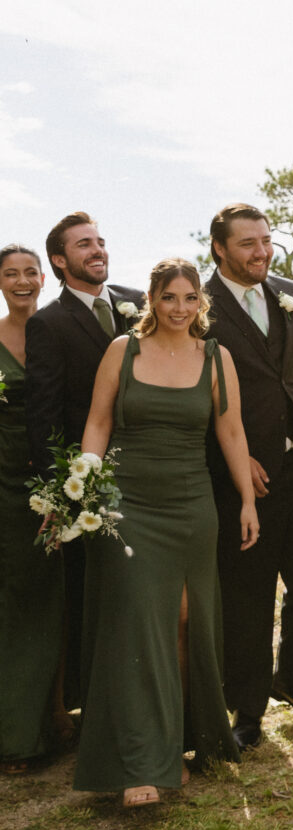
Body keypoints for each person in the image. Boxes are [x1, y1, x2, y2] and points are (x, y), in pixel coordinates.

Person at [74, 260, 257, 806]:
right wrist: (85, 480)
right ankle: (140, 765)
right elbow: (99, 421)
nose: (180, 308)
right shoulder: (121, 352)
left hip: (192, 503)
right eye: (169, 297)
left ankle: (179, 737)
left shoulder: (217, 359)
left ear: (202, 301)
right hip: (127, 502)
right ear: (151, 299)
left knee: (183, 620)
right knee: (137, 620)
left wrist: (247, 499)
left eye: (190, 298)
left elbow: (231, 430)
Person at [206, 204, 293, 750]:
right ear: (220, 248)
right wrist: (236, 461)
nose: (262, 253)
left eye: (266, 242)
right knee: (249, 592)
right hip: (245, 473)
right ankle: (248, 707)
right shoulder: (197, 303)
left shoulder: (292, 292)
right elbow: (194, 388)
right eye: (247, 244)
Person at [24, 213, 145, 712]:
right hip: (92, 486)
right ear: (59, 260)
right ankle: (92, 704)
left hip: (151, 467)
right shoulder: (48, 324)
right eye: (83, 245)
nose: (97, 250)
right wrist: (66, 492)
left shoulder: (141, 303)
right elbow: (44, 417)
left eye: (100, 242)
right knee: (92, 599)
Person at [0, 245, 67, 773]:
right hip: (3, 486)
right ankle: (19, 736)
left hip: (58, 478)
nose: (22, 281)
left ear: (44, 278)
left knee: (55, 598)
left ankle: (57, 716)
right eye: (10, 274)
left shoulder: (57, 328)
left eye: (29, 272)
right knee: (17, 603)